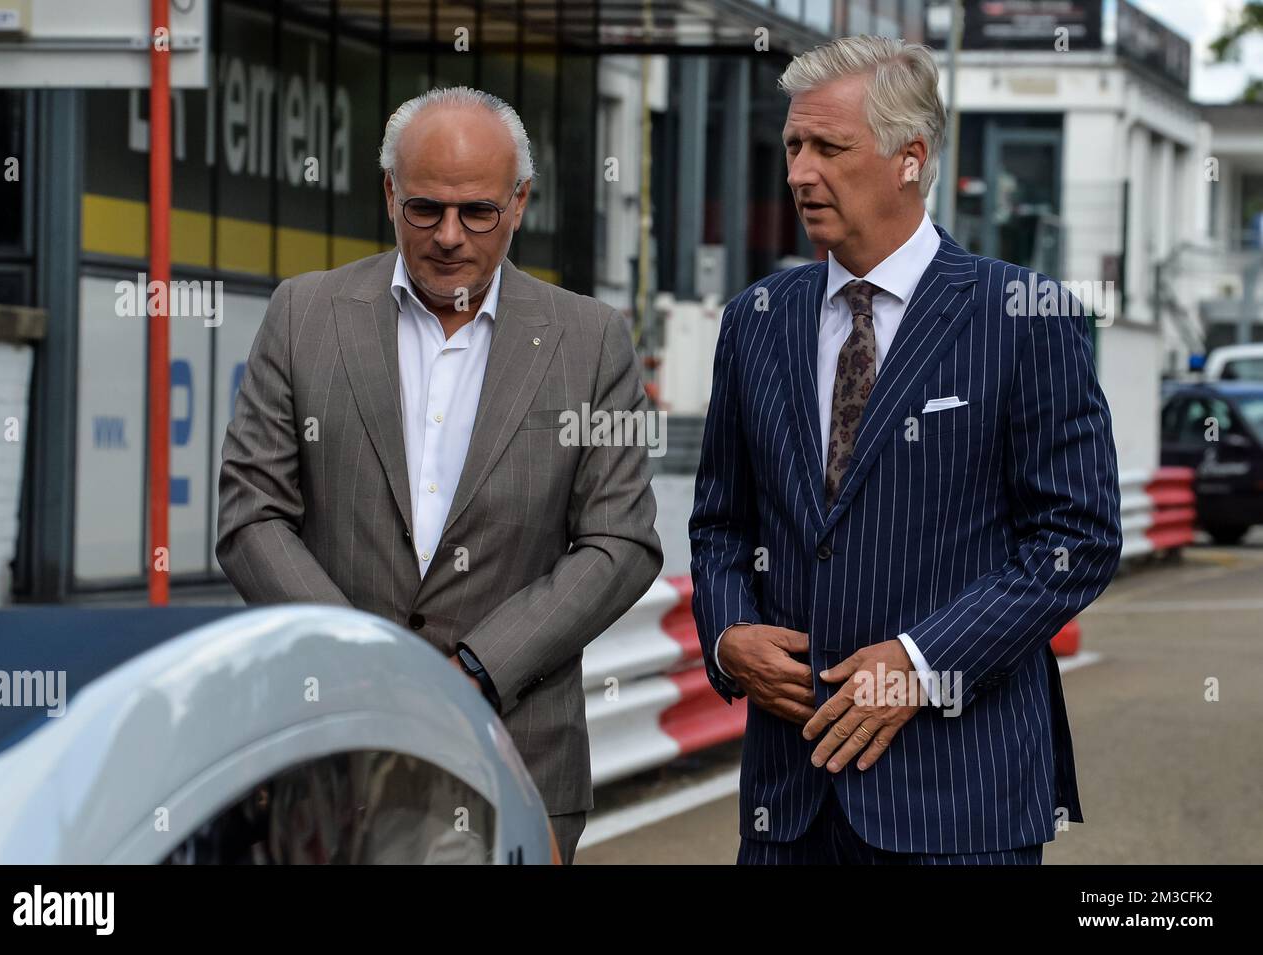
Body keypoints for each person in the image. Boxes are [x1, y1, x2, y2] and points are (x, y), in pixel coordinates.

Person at [689, 37, 1121, 864]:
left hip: (961, 804)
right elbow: (720, 523)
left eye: (829, 148)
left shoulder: (1023, 313)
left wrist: (921, 664)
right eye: (793, 147)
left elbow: (1077, 540)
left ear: (909, 159)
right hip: (791, 802)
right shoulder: (755, 320)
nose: (800, 172)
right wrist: (728, 632)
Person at [218, 87, 662, 864]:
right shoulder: (303, 316)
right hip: (331, 761)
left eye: (478, 212)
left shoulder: (591, 342)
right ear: (388, 192)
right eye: (424, 208)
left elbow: (620, 540)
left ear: (520, 202)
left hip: (515, 757)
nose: (449, 236)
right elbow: (250, 514)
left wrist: (480, 668)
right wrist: (370, 663)